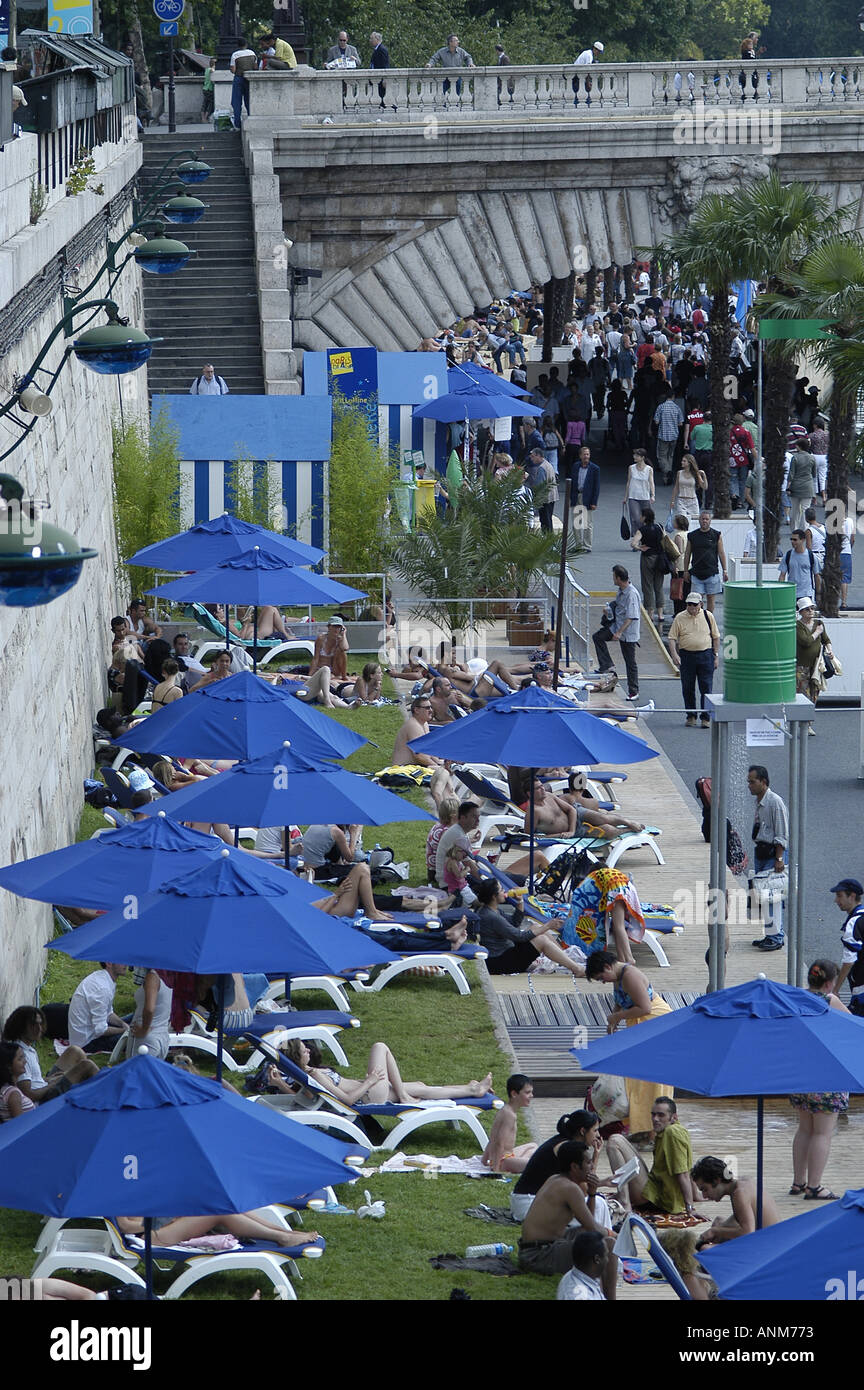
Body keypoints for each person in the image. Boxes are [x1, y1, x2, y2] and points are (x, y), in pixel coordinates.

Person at [584, 950, 673, 1138]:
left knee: (650, 1080)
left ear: (608, 966)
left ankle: (653, 1131)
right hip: (641, 1025)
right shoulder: (618, 974)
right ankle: (641, 1126)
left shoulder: (630, 975)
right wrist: (614, 1019)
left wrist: (617, 1016)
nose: (603, 982)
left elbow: (645, 1007)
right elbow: (620, 1000)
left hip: (655, 1023)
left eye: (602, 978)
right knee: (637, 1080)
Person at [269, 1037, 492, 1106]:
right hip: (367, 1095)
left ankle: (472, 1089)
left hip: (368, 1088)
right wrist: (370, 1081)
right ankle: (404, 1097)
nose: (309, 1050)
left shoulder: (311, 1074)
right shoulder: (315, 1075)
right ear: (298, 1058)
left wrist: (281, 1085)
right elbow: (346, 1100)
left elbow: (305, 1097)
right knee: (380, 1047)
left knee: (422, 1088)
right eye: (304, 1050)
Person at [788, 959, 850, 1200]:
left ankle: (798, 1182)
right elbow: (852, 1026)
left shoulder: (796, 997)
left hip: (801, 1072)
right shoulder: (830, 1001)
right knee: (822, 1133)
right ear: (829, 983)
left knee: (804, 1128)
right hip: (827, 1073)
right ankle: (814, 1187)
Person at [518, 1142, 617, 1292]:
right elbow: (594, 1229)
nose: (592, 1167)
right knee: (610, 1244)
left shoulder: (555, 1179)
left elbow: (588, 1226)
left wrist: (592, 1193)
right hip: (538, 1256)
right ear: (575, 1167)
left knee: (588, 1235)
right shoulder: (570, 1188)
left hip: (533, 1249)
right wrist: (615, 1235)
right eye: (588, 1162)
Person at [473, 877, 587, 980]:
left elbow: (514, 923)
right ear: (494, 896)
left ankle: (563, 959)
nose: (504, 891)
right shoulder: (491, 916)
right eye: (501, 890)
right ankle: (577, 969)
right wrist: (548, 925)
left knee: (536, 927)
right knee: (541, 939)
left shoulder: (492, 910)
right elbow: (519, 936)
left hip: (506, 952)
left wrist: (520, 902)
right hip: (501, 962)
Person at [606, 1097, 698, 1218]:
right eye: (653, 1115)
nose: (655, 1119)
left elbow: (683, 1173)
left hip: (656, 1200)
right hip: (654, 1188)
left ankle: (625, 1201)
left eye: (661, 1115)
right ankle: (624, 1194)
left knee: (614, 1141)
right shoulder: (676, 1129)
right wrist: (696, 1195)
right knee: (618, 1138)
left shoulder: (672, 1133)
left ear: (674, 1117)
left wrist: (689, 1208)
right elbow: (688, 1166)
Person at [511, 1110, 602, 1220]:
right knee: (597, 1205)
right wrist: (596, 1158)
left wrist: (596, 1155)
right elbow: (586, 1190)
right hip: (528, 1204)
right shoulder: (567, 1149)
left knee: (596, 1204)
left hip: (526, 1201)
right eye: (595, 1130)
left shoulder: (564, 1142)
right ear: (583, 1131)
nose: (598, 1135)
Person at [1, 1006, 97, 1102]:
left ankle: (87, 1091)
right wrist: (53, 1084)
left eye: (40, 1024)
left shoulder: (28, 1049)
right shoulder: (19, 1055)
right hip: (44, 1099)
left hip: (44, 1084)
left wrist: (49, 1079)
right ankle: (105, 1092)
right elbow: (29, 1095)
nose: (39, 1029)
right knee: (87, 1066)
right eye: (33, 1025)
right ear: (21, 1026)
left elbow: (34, 1080)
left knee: (75, 1051)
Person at [561, 866, 646, 964]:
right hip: (625, 883)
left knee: (619, 926)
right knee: (617, 926)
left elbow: (579, 913)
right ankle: (622, 959)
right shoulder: (598, 877)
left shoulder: (588, 883)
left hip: (615, 886)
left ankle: (629, 958)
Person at [118, 1211, 318, 1250]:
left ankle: (287, 1233)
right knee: (218, 1214)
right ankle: (281, 1237)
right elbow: (126, 1226)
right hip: (151, 1235)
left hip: (168, 1223)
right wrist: (164, 1219)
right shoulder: (117, 1189)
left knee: (224, 1206)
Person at [747, 765, 788, 952]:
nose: (749, 785)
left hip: (772, 854)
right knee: (764, 895)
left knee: (774, 897)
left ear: (764, 782)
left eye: (752, 782)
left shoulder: (774, 802)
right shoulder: (760, 800)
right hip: (761, 852)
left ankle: (776, 936)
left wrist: (779, 858)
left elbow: (782, 833)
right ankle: (770, 934)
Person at [692, 1157, 780, 1244]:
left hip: (768, 1245)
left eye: (705, 1189)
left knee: (705, 1248)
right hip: (774, 1235)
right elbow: (741, 1217)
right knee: (719, 1222)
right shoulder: (743, 1182)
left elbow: (748, 1232)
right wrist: (719, 1230)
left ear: (716, 1180)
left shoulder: (739, 1193)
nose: (704, 1196)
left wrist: (715, 1231)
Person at [667, 591, 720, 728]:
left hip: (706, 655)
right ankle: (691, 716)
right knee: (687, 687)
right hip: (687, 656)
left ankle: (705, 717)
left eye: (694, 605)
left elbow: (716, 637)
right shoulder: (680, 617)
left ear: (700, 604)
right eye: (689, 604)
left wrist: (716, 656)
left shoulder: (708, 616)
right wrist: (674, 655)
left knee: (706, 687)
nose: (691, 607)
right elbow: (672, 638)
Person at [592, 564, 641, 700]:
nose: (612, 579)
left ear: (619, 578)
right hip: (616, 625)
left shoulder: (631, 594)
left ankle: (634, 691)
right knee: (598, 637)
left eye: (614, 576)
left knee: (630, 661)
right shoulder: (621, 590)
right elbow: (618, 607)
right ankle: (606, 665)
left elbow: (631, 616)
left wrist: (619, 632)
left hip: (627, 632)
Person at [481, 1073, 537, 1173]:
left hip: (506, 1156)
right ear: (514, 1094)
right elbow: (499, 1142)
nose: (531, 1096)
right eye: (527, 1093)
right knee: (536, 1164)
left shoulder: (505, 1110)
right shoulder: (509, 1115)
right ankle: (509, 1164)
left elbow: (492, 1138)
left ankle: (515, 1162)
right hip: (502, 1160)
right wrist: (496, 1169)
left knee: (533, 1146)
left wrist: (484, 1160)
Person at [67, 963, 128, 1053]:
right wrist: (124, 1031)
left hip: (92, 1030)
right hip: (86, 1043)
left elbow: (108, 1012)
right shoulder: (102, 989)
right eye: (120, 961)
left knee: (134, 1022)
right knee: (136, 1039)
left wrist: (122, 1024)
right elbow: (100, 1030)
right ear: (109, 963)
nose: (126, 964)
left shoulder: (104, 979)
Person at [795, 596, 833, 734]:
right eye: (807, 609)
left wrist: (830, 651)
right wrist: (817, 632)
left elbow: (826, 640)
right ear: (801, 612)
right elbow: (805, 641)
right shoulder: (798, 626)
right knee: (803, 694)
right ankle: (802, 724)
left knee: (815, 693)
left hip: (817, 666)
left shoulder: (819, 622)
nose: (811, 611)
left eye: (812, 608)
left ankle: (808, 723)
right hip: (801, 666)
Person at [683, 510, 727, 615]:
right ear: (699, 520)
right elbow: (687, 554)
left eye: (707, 519)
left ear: (710, 521)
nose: (704, 521)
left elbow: (721, 553)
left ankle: (709, 620)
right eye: (703, 519)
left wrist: (725, 570)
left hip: (711, 572)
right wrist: (685, 571)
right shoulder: (692, 536)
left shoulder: (716, 535)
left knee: (711, 599)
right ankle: (698, 618)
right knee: (696, 600)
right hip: (696, 573)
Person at [631, 506, 667, 630]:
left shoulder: (642, 530)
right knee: (659, 586)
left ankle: (650, 613)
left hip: (647, 559)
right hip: (660, 559)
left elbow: (633, 543)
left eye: (641, 515)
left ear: (645, 517)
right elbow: (665, 540)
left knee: (647, 586)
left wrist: (640, 548)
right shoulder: (659, 527)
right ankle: (661, 613)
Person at [125, 967, 173, 1060]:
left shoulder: (152, 977)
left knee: (134, 1072)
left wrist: (144, 1029)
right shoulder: (170, 976)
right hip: (162, 1036)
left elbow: (149, 1009)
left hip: (145, 1037)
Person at [833, 877, 864, 1016]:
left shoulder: (853, 923)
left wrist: (835, 989)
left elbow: (849, 961)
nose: (836, 900)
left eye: (839, 896)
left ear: (852, 896)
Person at [556, 1230, 609, 1301]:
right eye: (606, 1255)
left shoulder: (580, 1276)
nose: (608, 1260)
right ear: (597, 1259)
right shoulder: (577, 1295)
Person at [652, 388, 684, 484]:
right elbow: (681, 423)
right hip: (674, 435)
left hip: (663, 435)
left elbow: (656, 421)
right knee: (670, 455)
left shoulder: (660, 407)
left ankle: (667, 471)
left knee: (661, 456)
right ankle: (667, 477)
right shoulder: (677, 408)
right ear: (673, 397)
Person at [0, 1042, 37, 1122]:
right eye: (20, 1059)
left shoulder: (5, 1089)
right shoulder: (13, 1094)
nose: (25, 1061)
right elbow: (20, 1125)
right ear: (9, 1066)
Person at [623, 448, 654, 539]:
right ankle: (636, 538)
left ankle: (643, 538)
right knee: (636, 519)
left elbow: (651, 482)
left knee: (645, 519)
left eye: (637, 455)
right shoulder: (631, 468)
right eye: (634, 455)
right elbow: (628, 482)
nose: (634, 457)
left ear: (642, 457)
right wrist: (625, 497)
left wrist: (653, 495)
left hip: (644, 497)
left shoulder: (649, 469)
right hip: (633, 497)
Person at [787, 439, 818, 532]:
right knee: (805, 510)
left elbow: (791, 474)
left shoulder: (795, 457)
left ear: (799, 446)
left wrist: (788, 487)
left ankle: (794, 530)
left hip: (795, 487)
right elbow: (814, 474)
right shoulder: (812, 458)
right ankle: (806, 530)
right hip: (807, 487)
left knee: (794, 511)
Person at [779, 529, 816, 604]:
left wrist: (818, 593)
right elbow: (782, 575)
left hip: (806, 594)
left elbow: (817, 575)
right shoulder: (788, 555)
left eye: (795, 540)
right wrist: (781, 591)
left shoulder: (811, 556)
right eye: (791, 539)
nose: (792, 542)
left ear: (802, 540)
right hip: (791, 593)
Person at [309, 615, 349, 681]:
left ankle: (344, 676)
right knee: (327, 677)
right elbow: (316, 658)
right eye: (334, 626)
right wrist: (310, 674)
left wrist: (344, 634)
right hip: (321, 668)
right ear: (329, 627)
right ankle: (339, 677)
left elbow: (345, 648)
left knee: (342, 652)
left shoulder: (339, 640)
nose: (336, 629)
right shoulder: (321, 639)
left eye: (338, 627)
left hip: (333, 669)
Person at [670, 452, 706, 523]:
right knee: (682, 522)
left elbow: (704, 486)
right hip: (681, 501)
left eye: (684, 461)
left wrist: (704, 476)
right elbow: (676, 487)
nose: (682, 462)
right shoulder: (679, 473)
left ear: (689, 463)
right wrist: (672, 500)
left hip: (692, 501)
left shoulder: (696, 474)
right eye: (682, 460)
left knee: (694, 522)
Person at [229, 37, 257, 127]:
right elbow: (255, 67)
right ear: (246, 44)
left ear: (238, 45)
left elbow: (233, 70)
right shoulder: (252, 53)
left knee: (236, 102)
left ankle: (238, 123)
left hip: (239, 78)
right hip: (249, 79)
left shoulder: (235, 55)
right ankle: (251, 120)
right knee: (248, 100)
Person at [200, 55, 216, 122]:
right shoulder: (211, 70)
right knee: (210, 104)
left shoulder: (206, 69)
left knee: (205, 104)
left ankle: (203, 118)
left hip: (205, 88)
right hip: (209, 89)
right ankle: (205, 118)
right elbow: (212, 71)